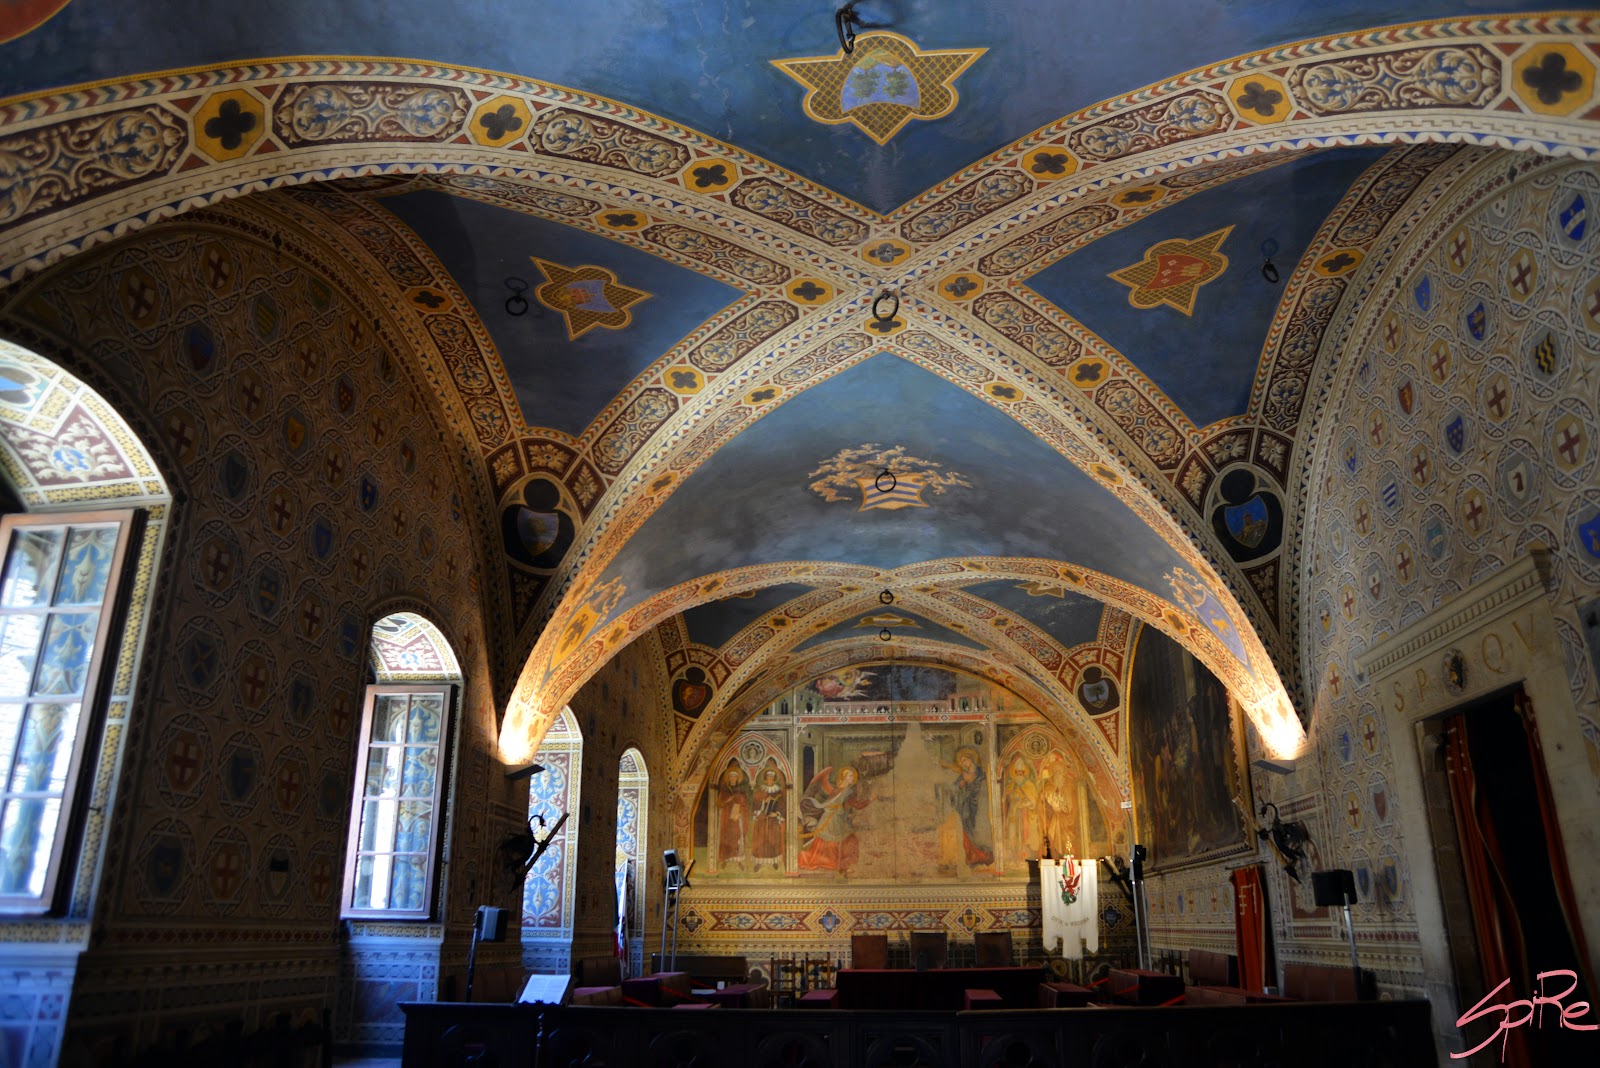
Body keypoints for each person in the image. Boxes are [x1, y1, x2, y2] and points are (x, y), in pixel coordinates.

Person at [797, 765, 868, 873]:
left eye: (853, 776)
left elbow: (845, 806)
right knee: (842, 840)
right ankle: (839, 865)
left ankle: (840, 864)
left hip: (832, 819)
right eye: (850, 776)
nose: (852, 778)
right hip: (832, 820)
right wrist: (871, 799)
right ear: (844, 777)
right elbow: (858, 805)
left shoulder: (840, 790)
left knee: (843, 840)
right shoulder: (846, 792)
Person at [948, 747, 995, 868]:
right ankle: (971, 856)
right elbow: (955, 788)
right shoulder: (963, 774)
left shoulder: (980, 773)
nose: (964, 763)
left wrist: (970, 783)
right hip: (965, 807)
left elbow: (983, 789)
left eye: (966, 760)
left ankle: (982, 854)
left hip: (979, 806)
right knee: (966, 828)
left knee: (977, 829)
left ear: (971, 759)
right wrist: (961, 785)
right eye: (962, 761)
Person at [751, 762, 786, 872]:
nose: (770, 779)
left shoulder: (778, 791)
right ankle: (759, 862)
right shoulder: (760, 791)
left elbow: (782, 805)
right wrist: (763, 801)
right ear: (765, 779)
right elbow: (755, 804)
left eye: (772, 777)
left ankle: (774, 861)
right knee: (761, 840)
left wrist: (777, 814)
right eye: (768, 777)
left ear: (774, 779)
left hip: (773, 820)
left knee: (773, 840)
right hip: (762, 819)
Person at [717, 764, 750, 871]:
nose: (733, 778)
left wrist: (739, 814)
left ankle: (739, 860)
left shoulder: (741, 791)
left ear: (737, 778)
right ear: (728, 778)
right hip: (726, 817)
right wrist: (729, 799)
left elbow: (745, 806)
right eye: (731, 776)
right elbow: (719, 804)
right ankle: (726, 859)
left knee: (737, 838)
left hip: (737, 818)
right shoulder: (725, 790)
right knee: (726, 837)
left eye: (735, 777)